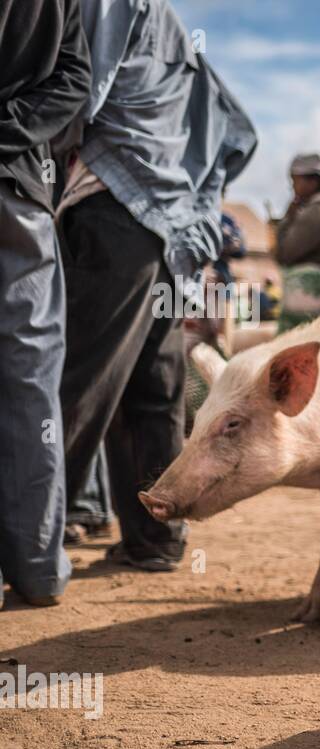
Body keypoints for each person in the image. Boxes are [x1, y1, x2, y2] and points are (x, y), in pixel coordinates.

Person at [58, 0, 257, 574]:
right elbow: (237, 132)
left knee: (78, 381)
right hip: (171, 235)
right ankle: (154, 538)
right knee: (149, 393)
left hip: (116, 210)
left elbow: (78, 96)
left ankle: (24, 541)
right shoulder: (173, 28)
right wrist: (191, 195)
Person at [0, 0, 91, 606]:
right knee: (31, 381)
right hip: (23, 187)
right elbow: (74, 79)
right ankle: (37, 568)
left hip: (25, 186)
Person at [274, 152, 320, 332]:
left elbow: (286, 254)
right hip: (316, 294)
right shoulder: (318, 210)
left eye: (296, 181)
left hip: (305, 298)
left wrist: (286, 221)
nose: (293, 186)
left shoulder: (315, 214)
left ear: (313, 182)